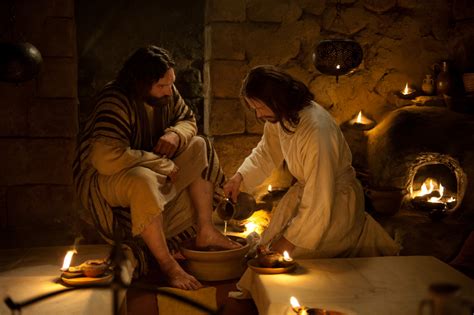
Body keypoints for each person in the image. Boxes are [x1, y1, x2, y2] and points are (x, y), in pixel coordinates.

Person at [73, 45, 240, 290]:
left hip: (151, 169)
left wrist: (175, 134)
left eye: (170, 83)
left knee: (198, 145)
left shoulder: (166, 94)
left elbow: (188, 120)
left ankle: (205, 229)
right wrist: (159, 163)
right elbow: (105, 158)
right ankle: (167, 263)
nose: (169, 91)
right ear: (141, 83)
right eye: (162, 86)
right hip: (109, 178)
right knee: (143, 179)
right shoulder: (115, 100)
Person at [224, 65, 400, 258]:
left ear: (276, 98)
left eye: (260, 107)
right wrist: (239, 178)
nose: (258, 115)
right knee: (269, 251)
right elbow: (267, 151)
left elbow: (320, 194)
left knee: (297, 262)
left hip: (333, 204)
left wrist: (291, 241)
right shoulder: (280, 115)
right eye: (254, 109)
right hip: (312, 195)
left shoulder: (316, 130)